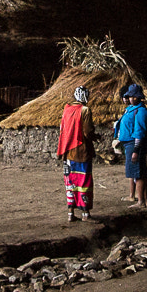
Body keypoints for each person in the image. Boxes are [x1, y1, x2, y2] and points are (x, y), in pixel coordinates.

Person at [56, 84, 95, 222]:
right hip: (82, 152)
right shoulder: (85, 110)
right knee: (84, 181)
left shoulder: (66, 110)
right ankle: (85, 214)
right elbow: (88, 132)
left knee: (70, 182)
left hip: (68, 152)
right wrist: (96, 137)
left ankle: (71, 214)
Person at [114, 82, 147, 208]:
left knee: (138, 173)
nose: (131, 98)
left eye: (134, 96)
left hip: (134, 145)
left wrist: (136, 149)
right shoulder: (131, 110)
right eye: (130, 96)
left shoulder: (140, 111)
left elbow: (139, 131)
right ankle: (145, 201)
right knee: (140, 172)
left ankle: (141, 201)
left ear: (139, 97)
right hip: (130, 144)